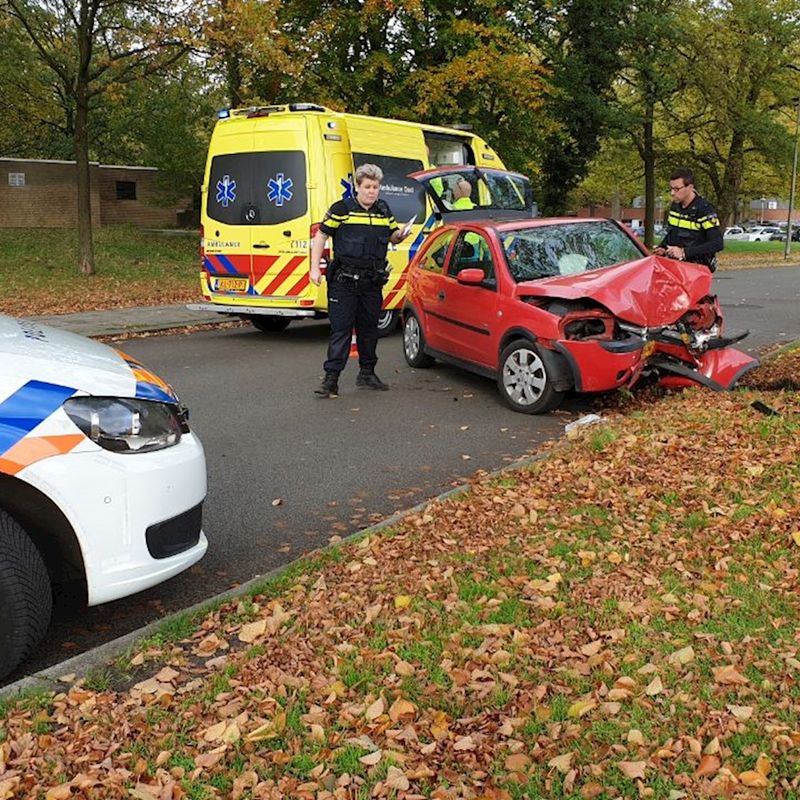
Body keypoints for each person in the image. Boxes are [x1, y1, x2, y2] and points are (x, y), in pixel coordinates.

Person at [309, 163, 411, 398]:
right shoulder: (342, 209)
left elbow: (393, 237)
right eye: (367, 187)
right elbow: (321, 235)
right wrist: (314, 268)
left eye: (375, 187)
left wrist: (400, 235)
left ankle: (367, 374)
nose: (372, 191)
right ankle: (330, 380)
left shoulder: (383, 210)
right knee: (341, 331)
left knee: (369, 330)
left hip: (371, 282)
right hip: (344, 282)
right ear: (357, 186)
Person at [653, 169, 723, 271]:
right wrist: (663, 247)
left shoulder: (704, 209)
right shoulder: (675, 207)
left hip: (696, 270)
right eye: (671, 188)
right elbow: (672, 234)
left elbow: (717, 243)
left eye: (677, 189)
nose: (672, 193)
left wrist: (684, 252)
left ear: (690, 187)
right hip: (675, 267)